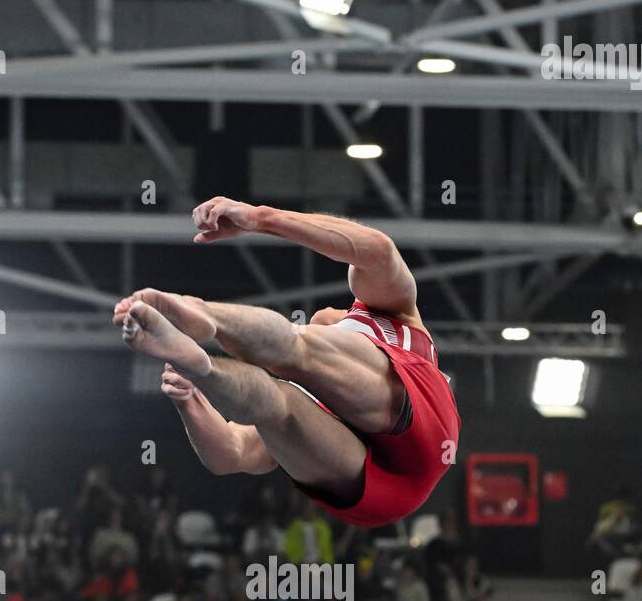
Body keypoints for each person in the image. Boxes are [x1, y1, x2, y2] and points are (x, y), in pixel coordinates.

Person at [113, 196, 460, 530]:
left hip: (424, 429)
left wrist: (262, 218)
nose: (324, 315)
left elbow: (378, 251)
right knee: (277, 401)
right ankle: (203, 365)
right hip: (373, 490)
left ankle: (204, 314)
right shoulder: (324, 352)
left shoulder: (390, 313)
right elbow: (231, 453)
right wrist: (190, 398)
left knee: (297, 350)